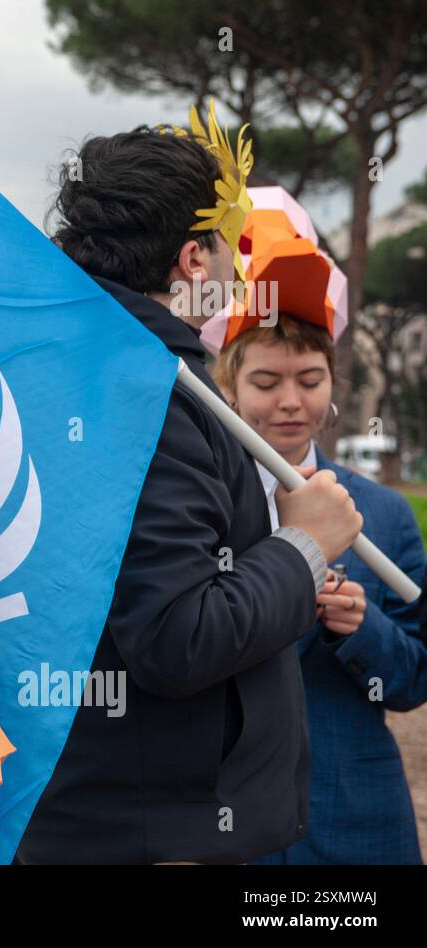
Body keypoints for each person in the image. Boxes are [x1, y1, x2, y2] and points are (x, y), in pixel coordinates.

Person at [17, 106, 363, 864]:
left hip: (101, 810)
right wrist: (305, 545)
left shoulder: (68, 367)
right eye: (229, 246)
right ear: (192, 263)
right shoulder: (147, 392)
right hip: (151, 831)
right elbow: (177, 637)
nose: (241, 271)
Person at [208, 193, 426, 863]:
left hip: (358, 820)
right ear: (228, 386)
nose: (290, 401)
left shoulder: (382, 513)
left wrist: (364, 630)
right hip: (227, 825)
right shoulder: (200, 511)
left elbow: (415, 678)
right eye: (267, 380)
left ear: (333, 385)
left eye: (310, 378)